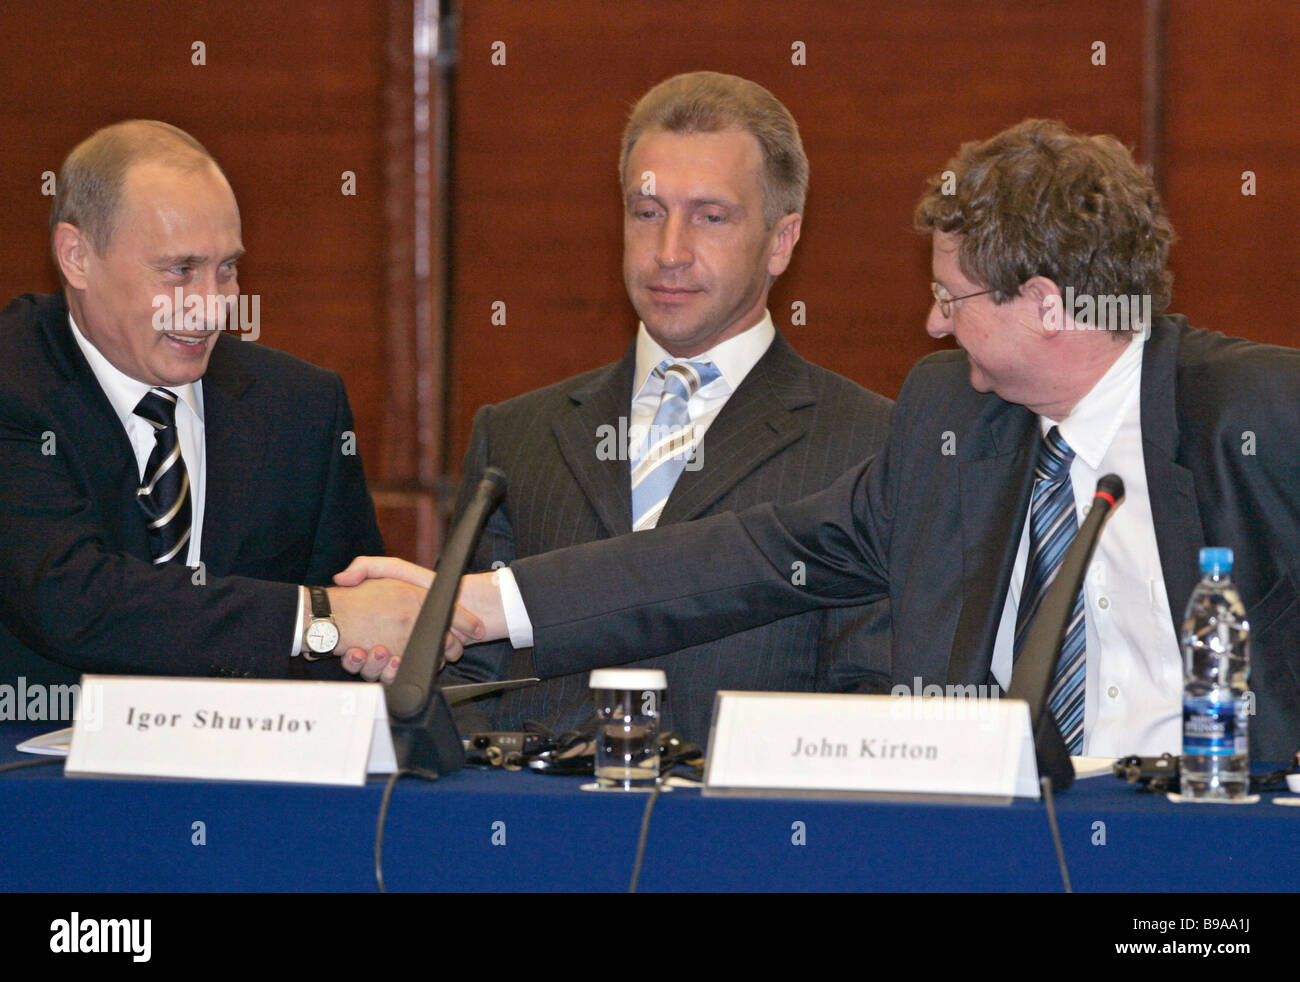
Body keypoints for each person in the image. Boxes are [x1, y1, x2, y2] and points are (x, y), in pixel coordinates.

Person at [346, 118, 1300, 761]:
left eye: (950, 298)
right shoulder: (953, 421)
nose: (932, 326)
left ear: (1047, 304)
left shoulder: (1255, 413)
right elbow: (754, 555)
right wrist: (477, 603)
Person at [425, 72, 893, 746]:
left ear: (782, 240)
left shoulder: (867, 441)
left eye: (710, 216)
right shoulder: (517, 435)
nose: (669, 253)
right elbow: (459, 674)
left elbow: (869, 703)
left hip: (746, 836)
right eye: (647, 213)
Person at [0, 120, 442, 703]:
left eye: (227, 269)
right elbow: (72, 598)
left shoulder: (301, 406)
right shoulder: (15, 380)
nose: (213, 307)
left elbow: (352, 625)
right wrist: (317, 616)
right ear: (77, 256)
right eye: (180, 270)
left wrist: (377, 647)